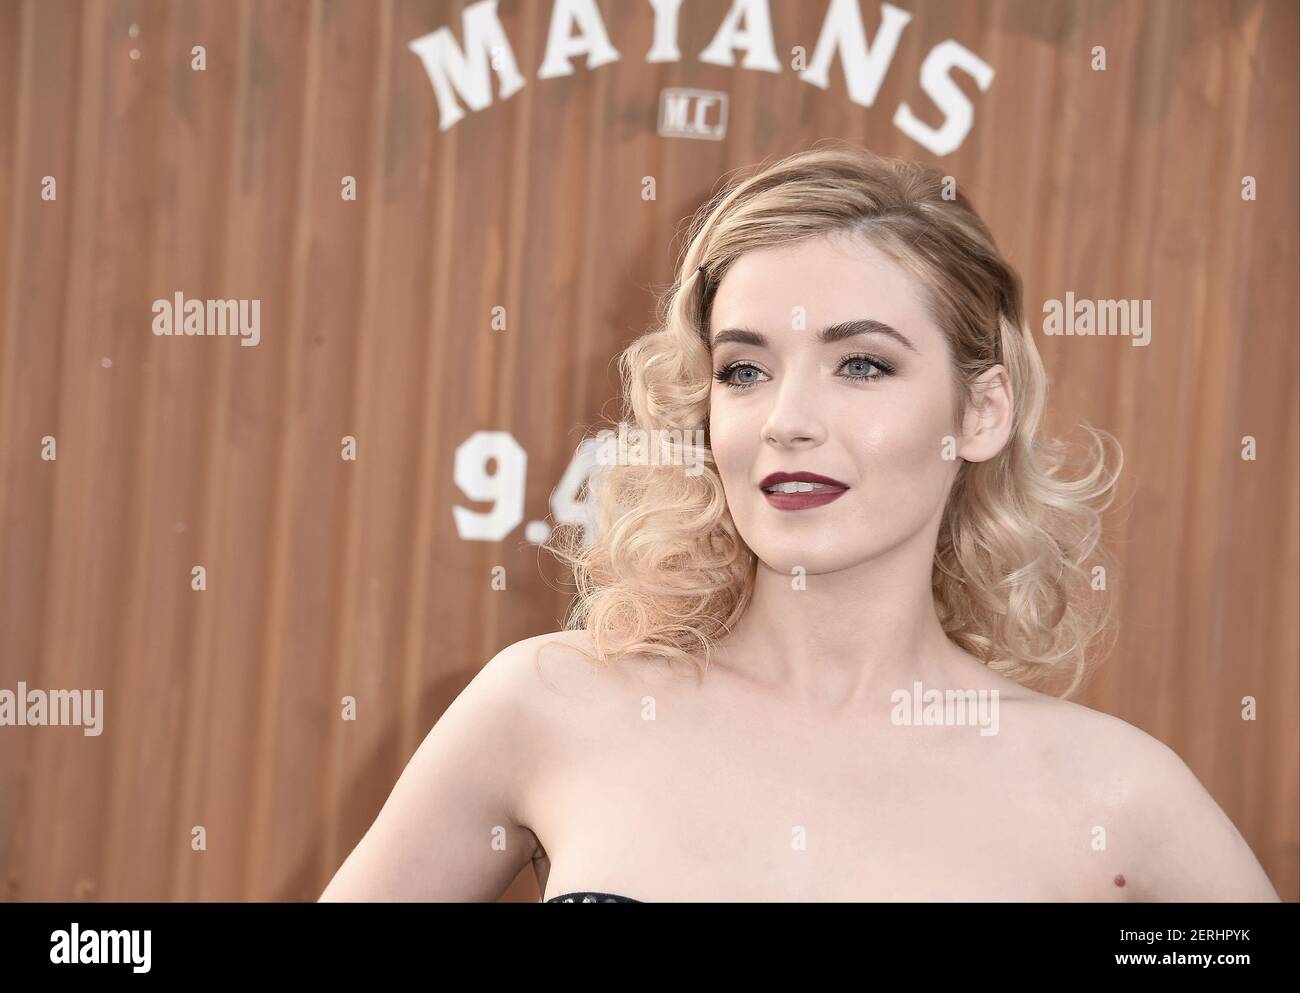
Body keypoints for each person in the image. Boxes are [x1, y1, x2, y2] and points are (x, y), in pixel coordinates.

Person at [320, 143, 1279, 903]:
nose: (787, 420)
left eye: (861, 364)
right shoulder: (546, 709)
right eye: (745, 369)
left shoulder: (1116, 797)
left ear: (980, 412)